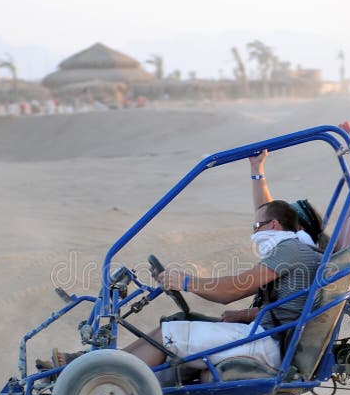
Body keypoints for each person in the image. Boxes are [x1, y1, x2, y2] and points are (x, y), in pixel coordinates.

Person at [38, 200, 322, 382]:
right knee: (169, 327)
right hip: (264, 333)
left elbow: (233, 288)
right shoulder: (294, 249)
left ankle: (94, 378)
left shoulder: (291, 250)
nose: (253, 232)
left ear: (274, 225)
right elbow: (285, 305)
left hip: (267, 343)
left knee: (169, 336)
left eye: (256, 225)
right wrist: (244, 314)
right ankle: (90, 364)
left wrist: (186, 282)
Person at [249, 150, 327, 249]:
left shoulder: (291, 253)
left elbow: (267, 218)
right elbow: (265, 213)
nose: (255, 231)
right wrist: (257, 169)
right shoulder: (299, 249)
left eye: (257, 226)